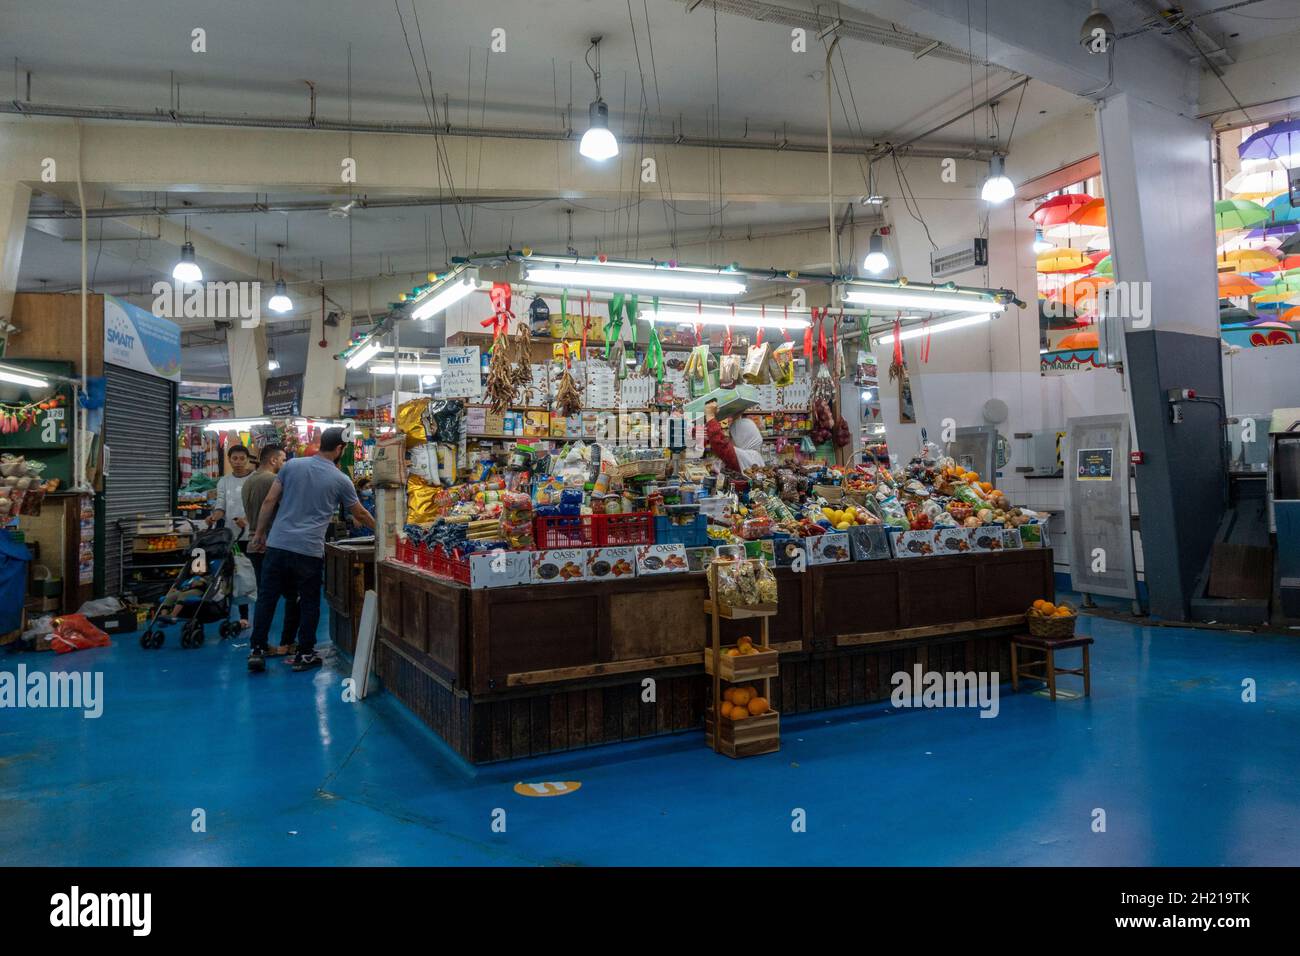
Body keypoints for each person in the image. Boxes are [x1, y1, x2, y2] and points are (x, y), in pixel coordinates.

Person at [247, 428, 375, 673]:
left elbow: (269, 501)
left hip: (278, 544)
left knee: (267, 597)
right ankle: (305, 653)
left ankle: (257, 649)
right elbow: (359, 513)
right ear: (339, 449)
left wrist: (260, 533)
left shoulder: (292, 466)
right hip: (308, 550)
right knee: (308, 601)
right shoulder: (340, 479)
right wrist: (382, 532)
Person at [241, 443, 299, 656]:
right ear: (273, 460)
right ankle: (288, 642)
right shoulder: (271, 481)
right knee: (295, 595)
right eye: (283, 459)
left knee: (266, 597)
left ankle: (259, 645)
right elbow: (282, 506)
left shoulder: (249, 482)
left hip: (254, 544)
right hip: (272, 544)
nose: (284, 464)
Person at [209, 444, 254, 628]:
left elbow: (258, 505)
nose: (238, 462)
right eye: (234, 458)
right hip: (231, 538)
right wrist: (213, 517)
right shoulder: (224, 481)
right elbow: (221, 506)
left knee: (251, 575)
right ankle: (238, 615)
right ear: (229, 459)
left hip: (251, 534)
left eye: (242, 458)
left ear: (247, 459)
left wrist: (247, 520)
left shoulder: (254, 479)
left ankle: (250, 614)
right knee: (235, 575)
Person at [703, 401, 766, 474]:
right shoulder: (756, 455)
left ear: (741, 438)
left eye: (732, 436)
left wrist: (710, 415)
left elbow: (720, 444)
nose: (729, 440)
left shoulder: (742, 456)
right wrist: (736, 414)